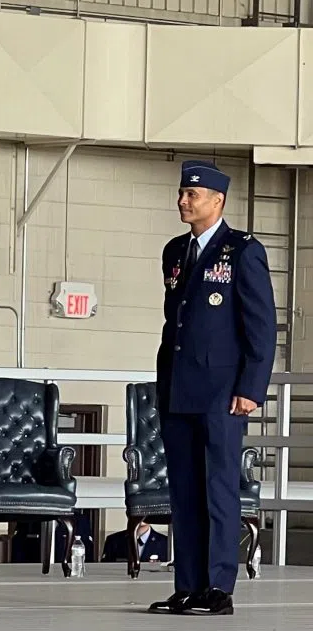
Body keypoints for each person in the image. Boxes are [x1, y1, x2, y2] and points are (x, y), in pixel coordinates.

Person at [150, 160, 276, 616]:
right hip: (179, 388)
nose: (184, 200)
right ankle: (188, 585)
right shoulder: (174, 251)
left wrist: (251, 387)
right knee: (183, 491)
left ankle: (218, 588)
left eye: (193, 195)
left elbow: (261, 328)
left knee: (218, 489)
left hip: (222, 392)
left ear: (217, 201)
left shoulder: (243, 250)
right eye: (182, 192)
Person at [101, 522, 168, 563]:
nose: (142, 514)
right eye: (138, 509)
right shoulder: (114, 540)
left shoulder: (165, 542)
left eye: (146, 510)